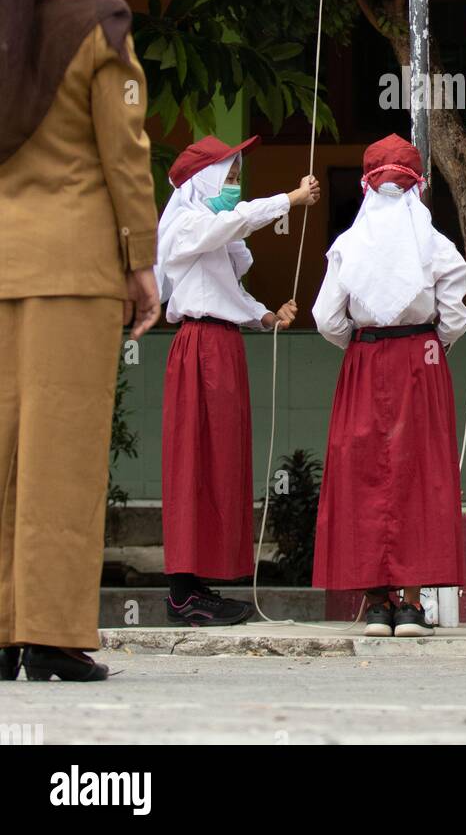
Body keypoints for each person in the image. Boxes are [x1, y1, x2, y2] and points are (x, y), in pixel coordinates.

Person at [0, 0, 160, 683]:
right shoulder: (98, 22)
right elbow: (123, 156)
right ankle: (54, 637)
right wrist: (143, 263)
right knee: (61, 455)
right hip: (73, 269)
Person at [155, 135, 320, 623]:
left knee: (220, 462)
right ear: (202, 180)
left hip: (223, 345)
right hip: (199, 347)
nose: (233, 185)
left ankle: (199, 583)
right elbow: (235, 219)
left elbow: (229, 291)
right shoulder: (187, 224)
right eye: (227, 176)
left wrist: (266, 316)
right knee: (193, 462)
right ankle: (182, 590)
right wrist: (289, 199)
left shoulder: (210, 233)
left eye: (235, 177)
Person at [311, 133, 466, 637]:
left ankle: (375, 603)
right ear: (418, 187)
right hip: (419, 359)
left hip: (364, 355)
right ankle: (410, 605)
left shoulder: (348, 245)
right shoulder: (435, 243)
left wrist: (362, 346)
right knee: (419, 472)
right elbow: (455, 315)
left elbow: (325, 318)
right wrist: (428, 344)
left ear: (365, 186)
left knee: (363, 472)